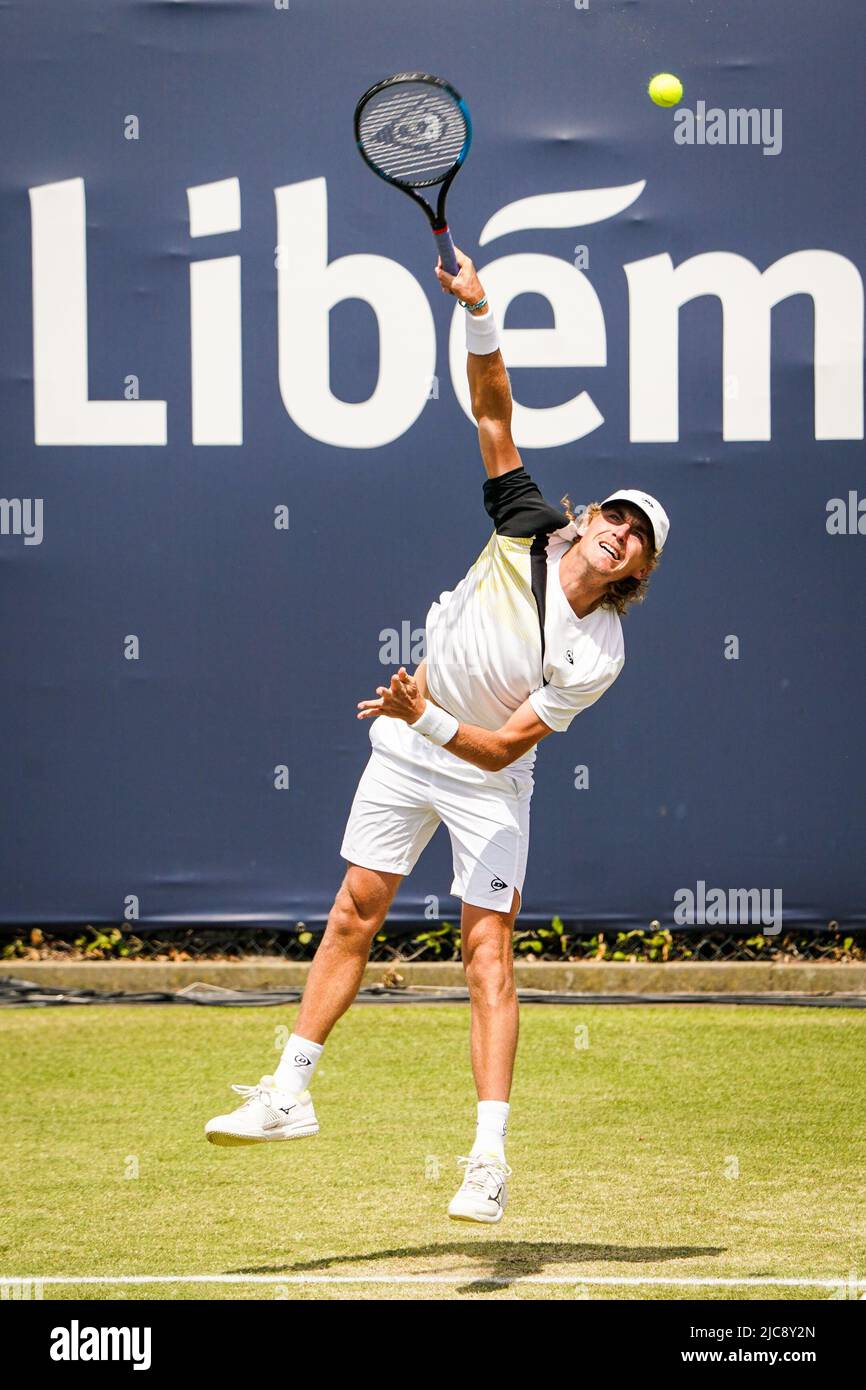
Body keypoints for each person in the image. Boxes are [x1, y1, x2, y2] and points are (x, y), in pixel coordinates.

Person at [205, 249, 670, 1225]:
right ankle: (289, 1091)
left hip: (485, 781)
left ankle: (488, 1159)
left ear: (634, 568)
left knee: (483, 952)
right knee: (351, 911)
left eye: (635, 535)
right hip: (410, 741)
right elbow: (493, 410)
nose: (617, 532)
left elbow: (502, 751)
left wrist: (422, 712)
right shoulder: (524, 523)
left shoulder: (599, 651)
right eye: (612, 515)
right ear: (583, 518)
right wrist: (478, 310)